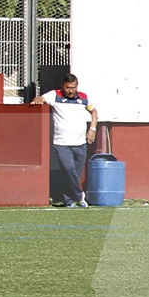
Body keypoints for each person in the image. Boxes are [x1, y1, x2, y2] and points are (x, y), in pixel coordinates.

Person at [31, 74, 99, 207]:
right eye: (68, 88)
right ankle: (79, 196)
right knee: (68, 170)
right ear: (63, 86)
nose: (70, 91)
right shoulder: (55, 95)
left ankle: (68, 200)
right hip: (62, 143)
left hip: (81, 143)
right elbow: (41, 98)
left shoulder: (83, 97)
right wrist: (37, 99)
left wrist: (93, 129)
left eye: (73, 88)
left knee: (75, 175)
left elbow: (94, 112)